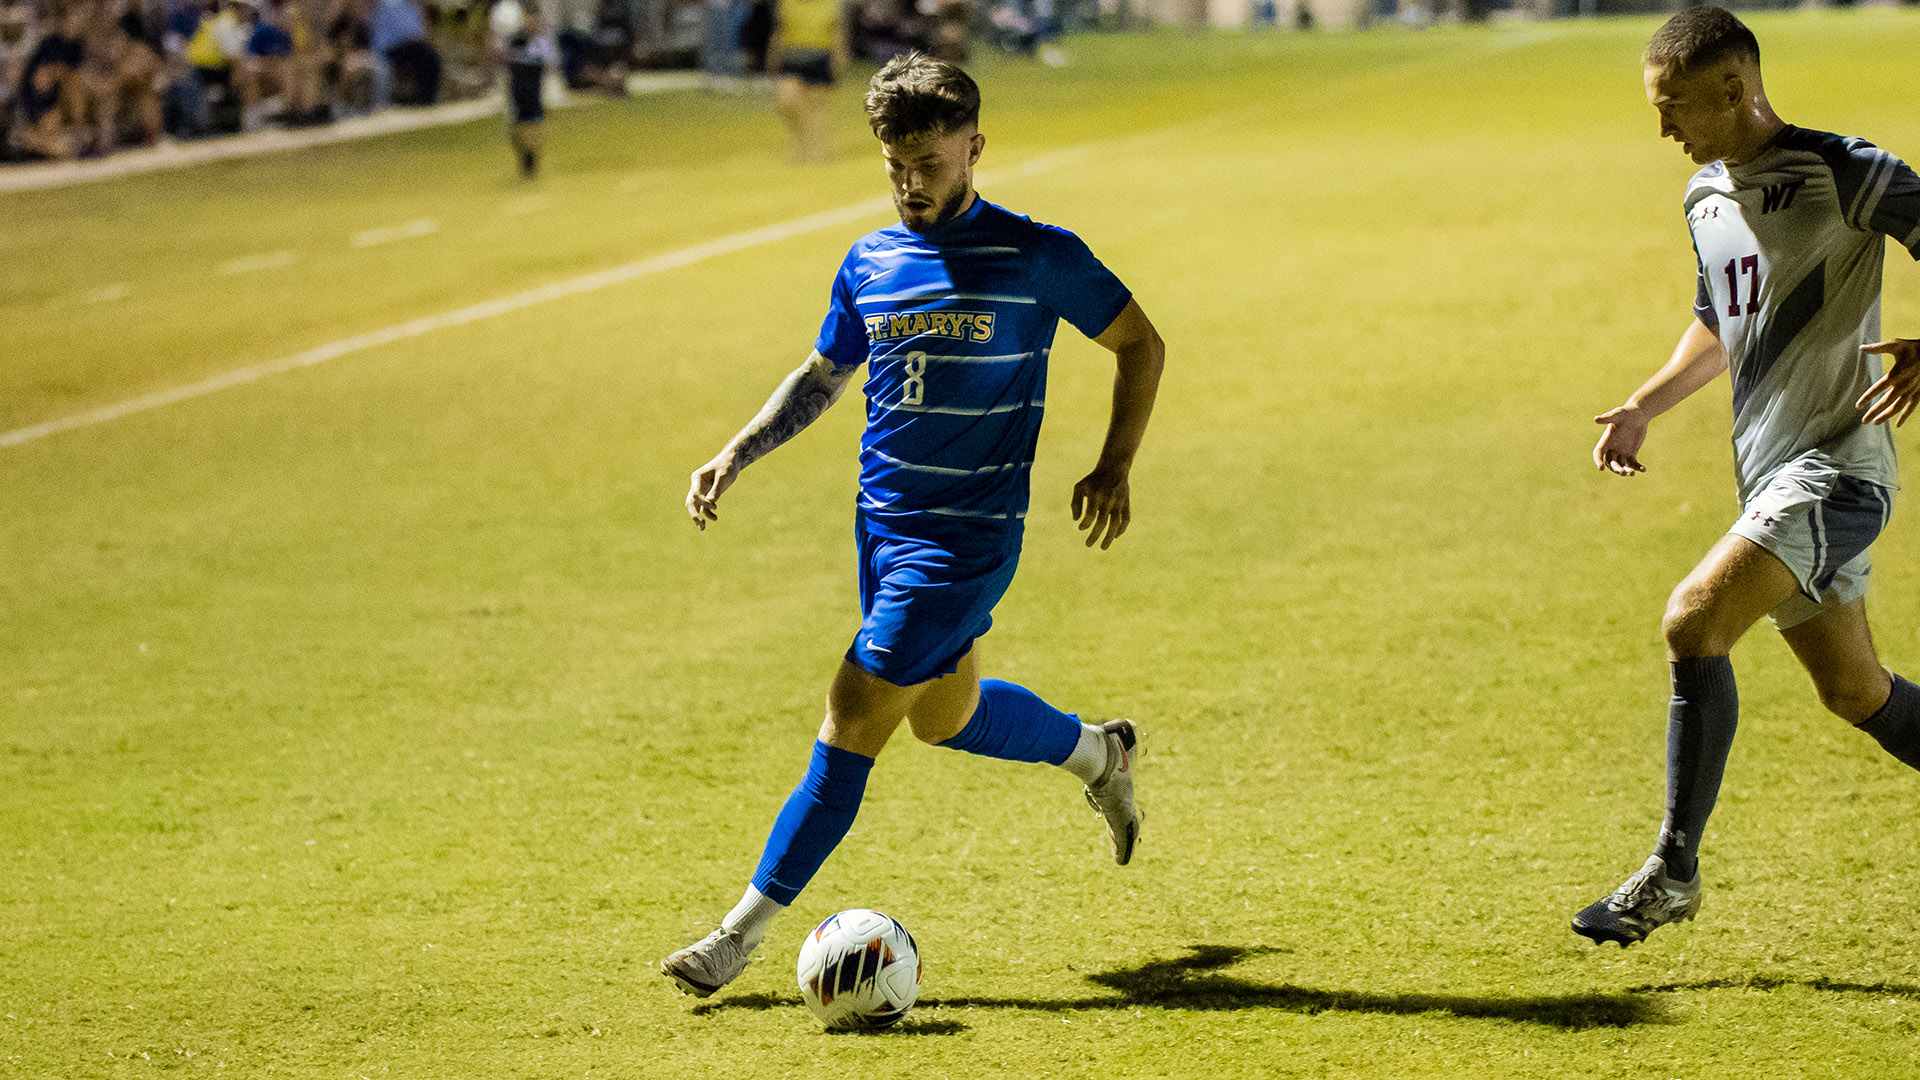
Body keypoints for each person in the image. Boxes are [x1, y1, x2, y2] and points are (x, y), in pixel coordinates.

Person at [661, 52, 1166, 998]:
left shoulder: (1036, 254)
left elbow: (1141, 341)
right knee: (945, 718)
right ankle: (1104, 753)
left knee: (853, 716)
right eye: (895, 165)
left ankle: (737, 936)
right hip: (883, 531)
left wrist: (1114, 464)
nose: (910, 183)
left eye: (929, 164)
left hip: (966, 543)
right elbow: (824, 375)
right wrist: (736, 450)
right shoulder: (869, 261)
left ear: (974, 148)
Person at [1575, 6, 1920, 948]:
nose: (1663, 129)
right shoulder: (1704, 198)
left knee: (1693, 617)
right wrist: (1646, 403)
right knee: (1857, 693)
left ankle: (1672, 871)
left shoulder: (1847, 171)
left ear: (1734, 89)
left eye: (1674, 105)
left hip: (1840, 472)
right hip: (1770, 472)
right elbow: (1720, 320)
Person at [768, 0, 842, 163]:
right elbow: (780, 31)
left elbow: (837, 33)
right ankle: (800, 139)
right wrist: (773, 56)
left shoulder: (829, 4)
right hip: (792, 57)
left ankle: (818, 151)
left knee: (818, 107)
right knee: (787, 102)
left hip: (820, 56)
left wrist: (838, 59)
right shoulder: (786, 4)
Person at [500, 23, 548, 177]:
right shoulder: (531, 57)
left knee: (523, 129)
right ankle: (529, 156)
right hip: (527, 97)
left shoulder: (518, 60)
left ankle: (528, 157)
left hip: (525, 97)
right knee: (525, 130)